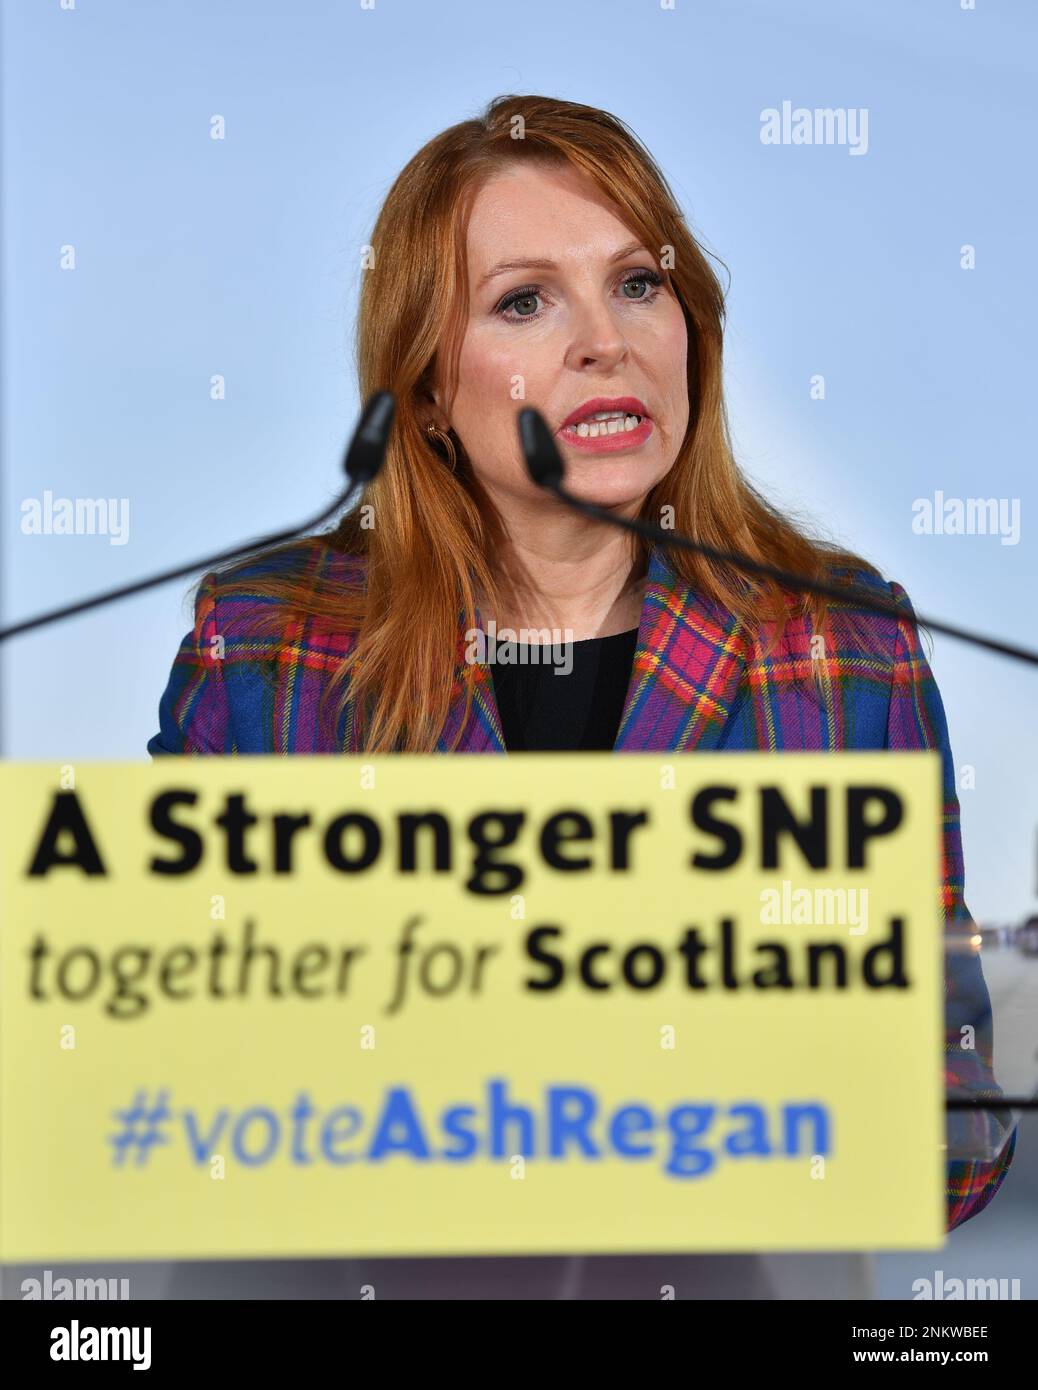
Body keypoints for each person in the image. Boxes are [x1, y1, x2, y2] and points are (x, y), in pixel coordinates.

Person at [147, 94, 1014, 1296]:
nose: (603, 340)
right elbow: (160, 1080)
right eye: (524, 300)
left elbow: (958, 1130)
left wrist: (743, 1094)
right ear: (431, 391)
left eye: (638, 285)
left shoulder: (841, 645)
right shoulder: (268, 648)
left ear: (690, 330)